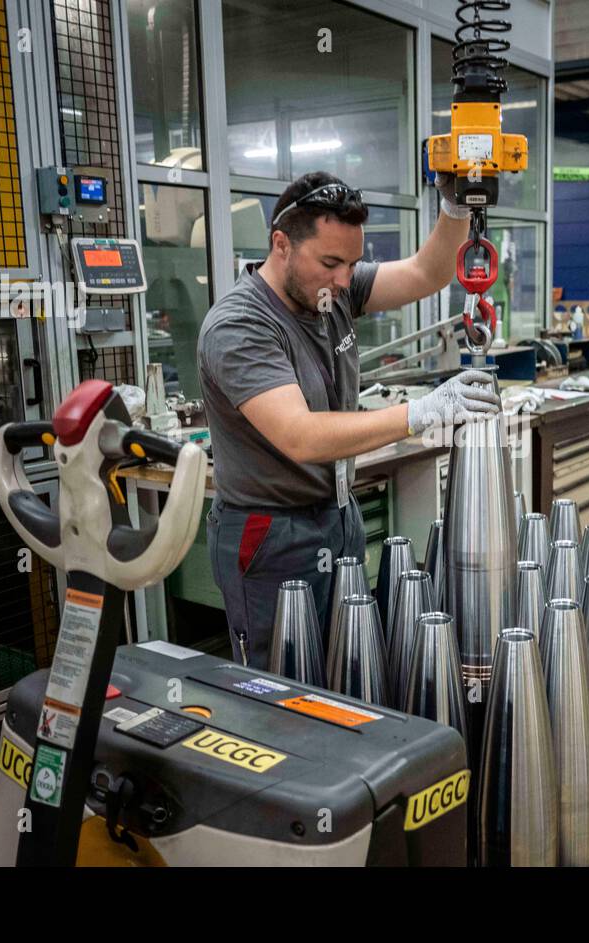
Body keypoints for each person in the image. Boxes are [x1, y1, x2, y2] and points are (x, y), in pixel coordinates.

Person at [197, 170, 498, 668]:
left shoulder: (330, 291)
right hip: (271, 535)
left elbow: (427, 274)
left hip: (337, 516)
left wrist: (454, 210)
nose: (344, 279)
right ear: (281, 245)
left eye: (353, 264)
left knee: (347, 669)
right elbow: (300, 435)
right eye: (331, 263)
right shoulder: (240, 324)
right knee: (282, 686)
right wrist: (421, 412)